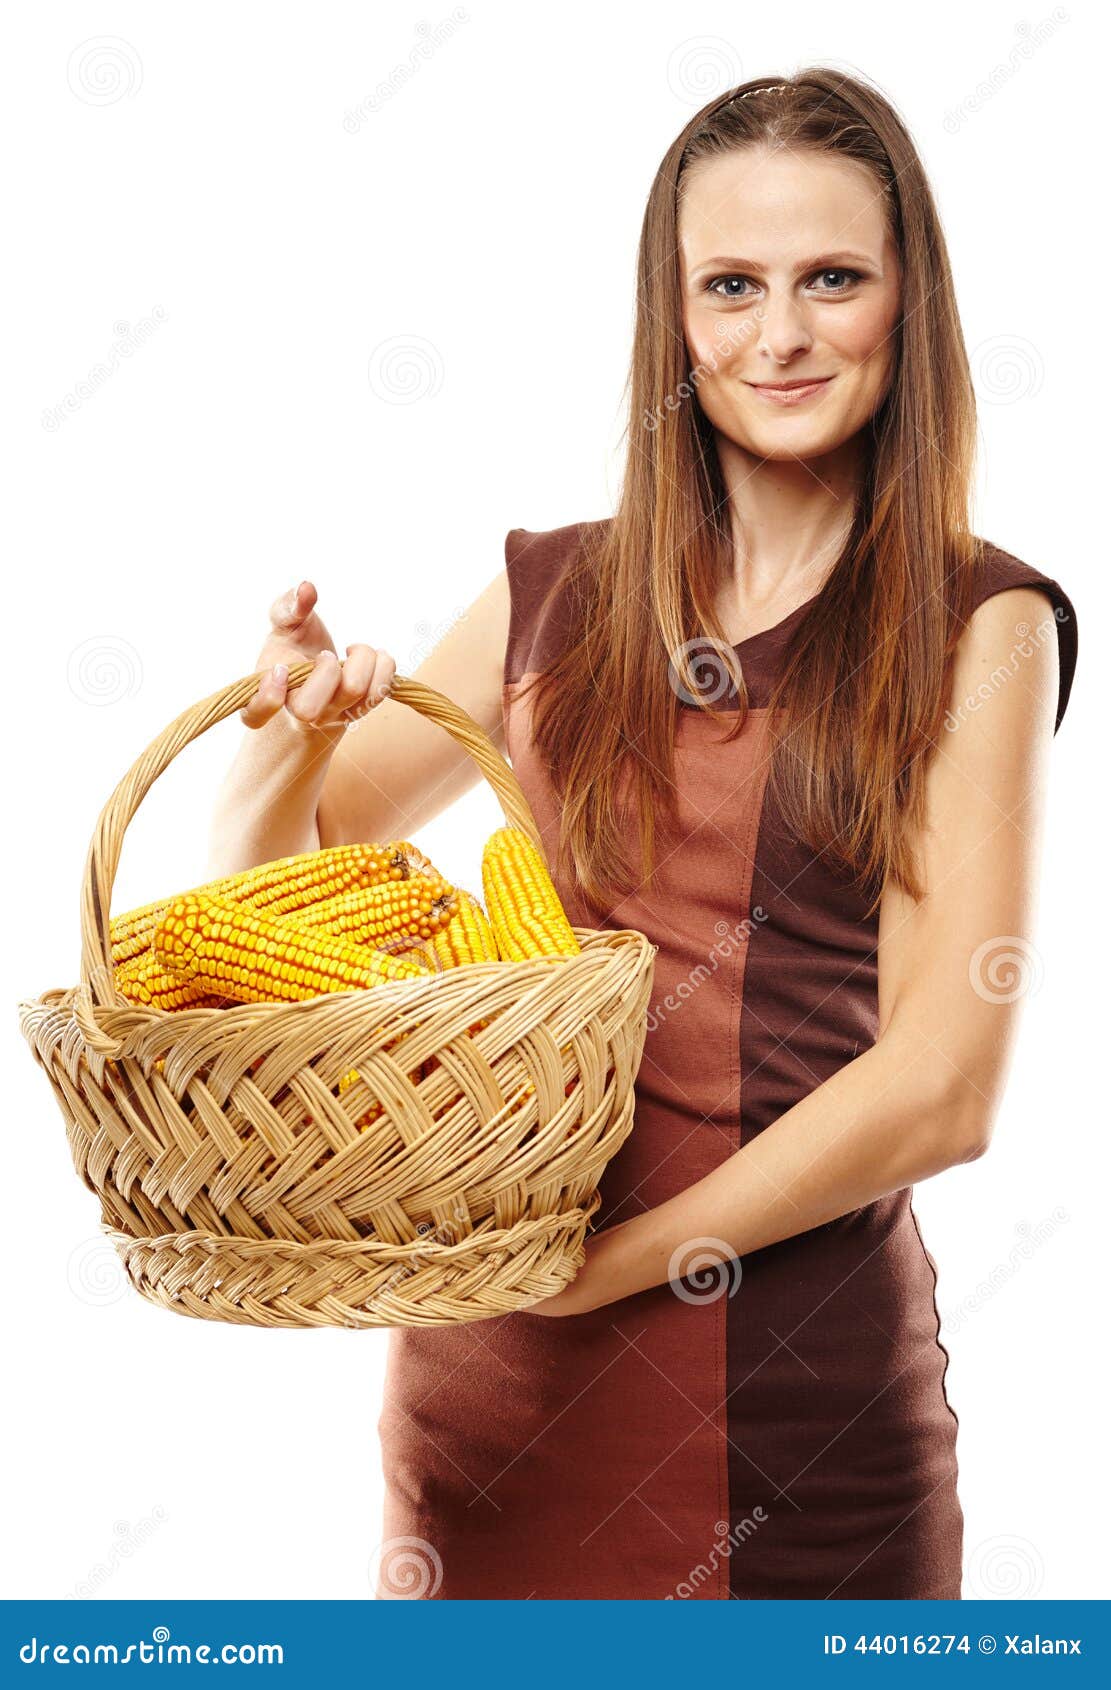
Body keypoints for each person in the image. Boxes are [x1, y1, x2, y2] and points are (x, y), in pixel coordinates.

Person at [210, 68, 1078, 1599]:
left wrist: (604, 1270)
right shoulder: (554, 587)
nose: (780, 334)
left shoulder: (980, 622)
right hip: (484, 1431)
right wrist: (289, 735)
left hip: (795, 1444)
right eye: (730, 286)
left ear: (909, 300)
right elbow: (290, 888)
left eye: (833, 280)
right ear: (671, 319)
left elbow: (943, 1085)